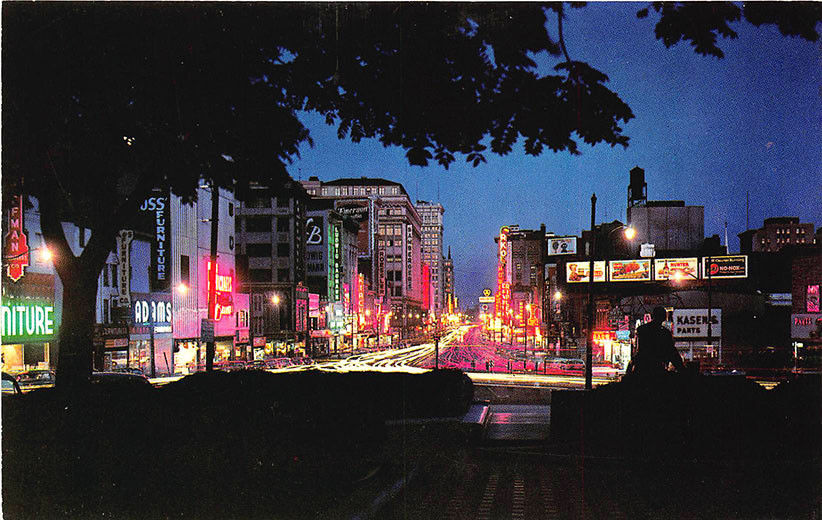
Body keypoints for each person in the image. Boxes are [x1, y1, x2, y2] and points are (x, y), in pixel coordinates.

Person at [631, 306, 685, 377]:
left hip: (641, 368)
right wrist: (682, 369)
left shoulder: (642, 329)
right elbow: (672, 352)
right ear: (664, 317)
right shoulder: (664, 333)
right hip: (656, 369)